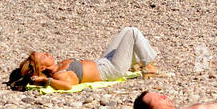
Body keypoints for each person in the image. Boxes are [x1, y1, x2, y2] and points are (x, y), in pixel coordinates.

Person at [8, 26, 161, 91]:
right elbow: (67, 86)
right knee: (133, 32)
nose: (47, 53)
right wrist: (43, 81)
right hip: (111, 70)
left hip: (102, 61)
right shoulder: (59, 75)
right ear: (42, 68)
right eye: (43, 56)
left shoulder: (59, 66)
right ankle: (148, 65)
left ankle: (135, 62)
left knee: (126, 30)